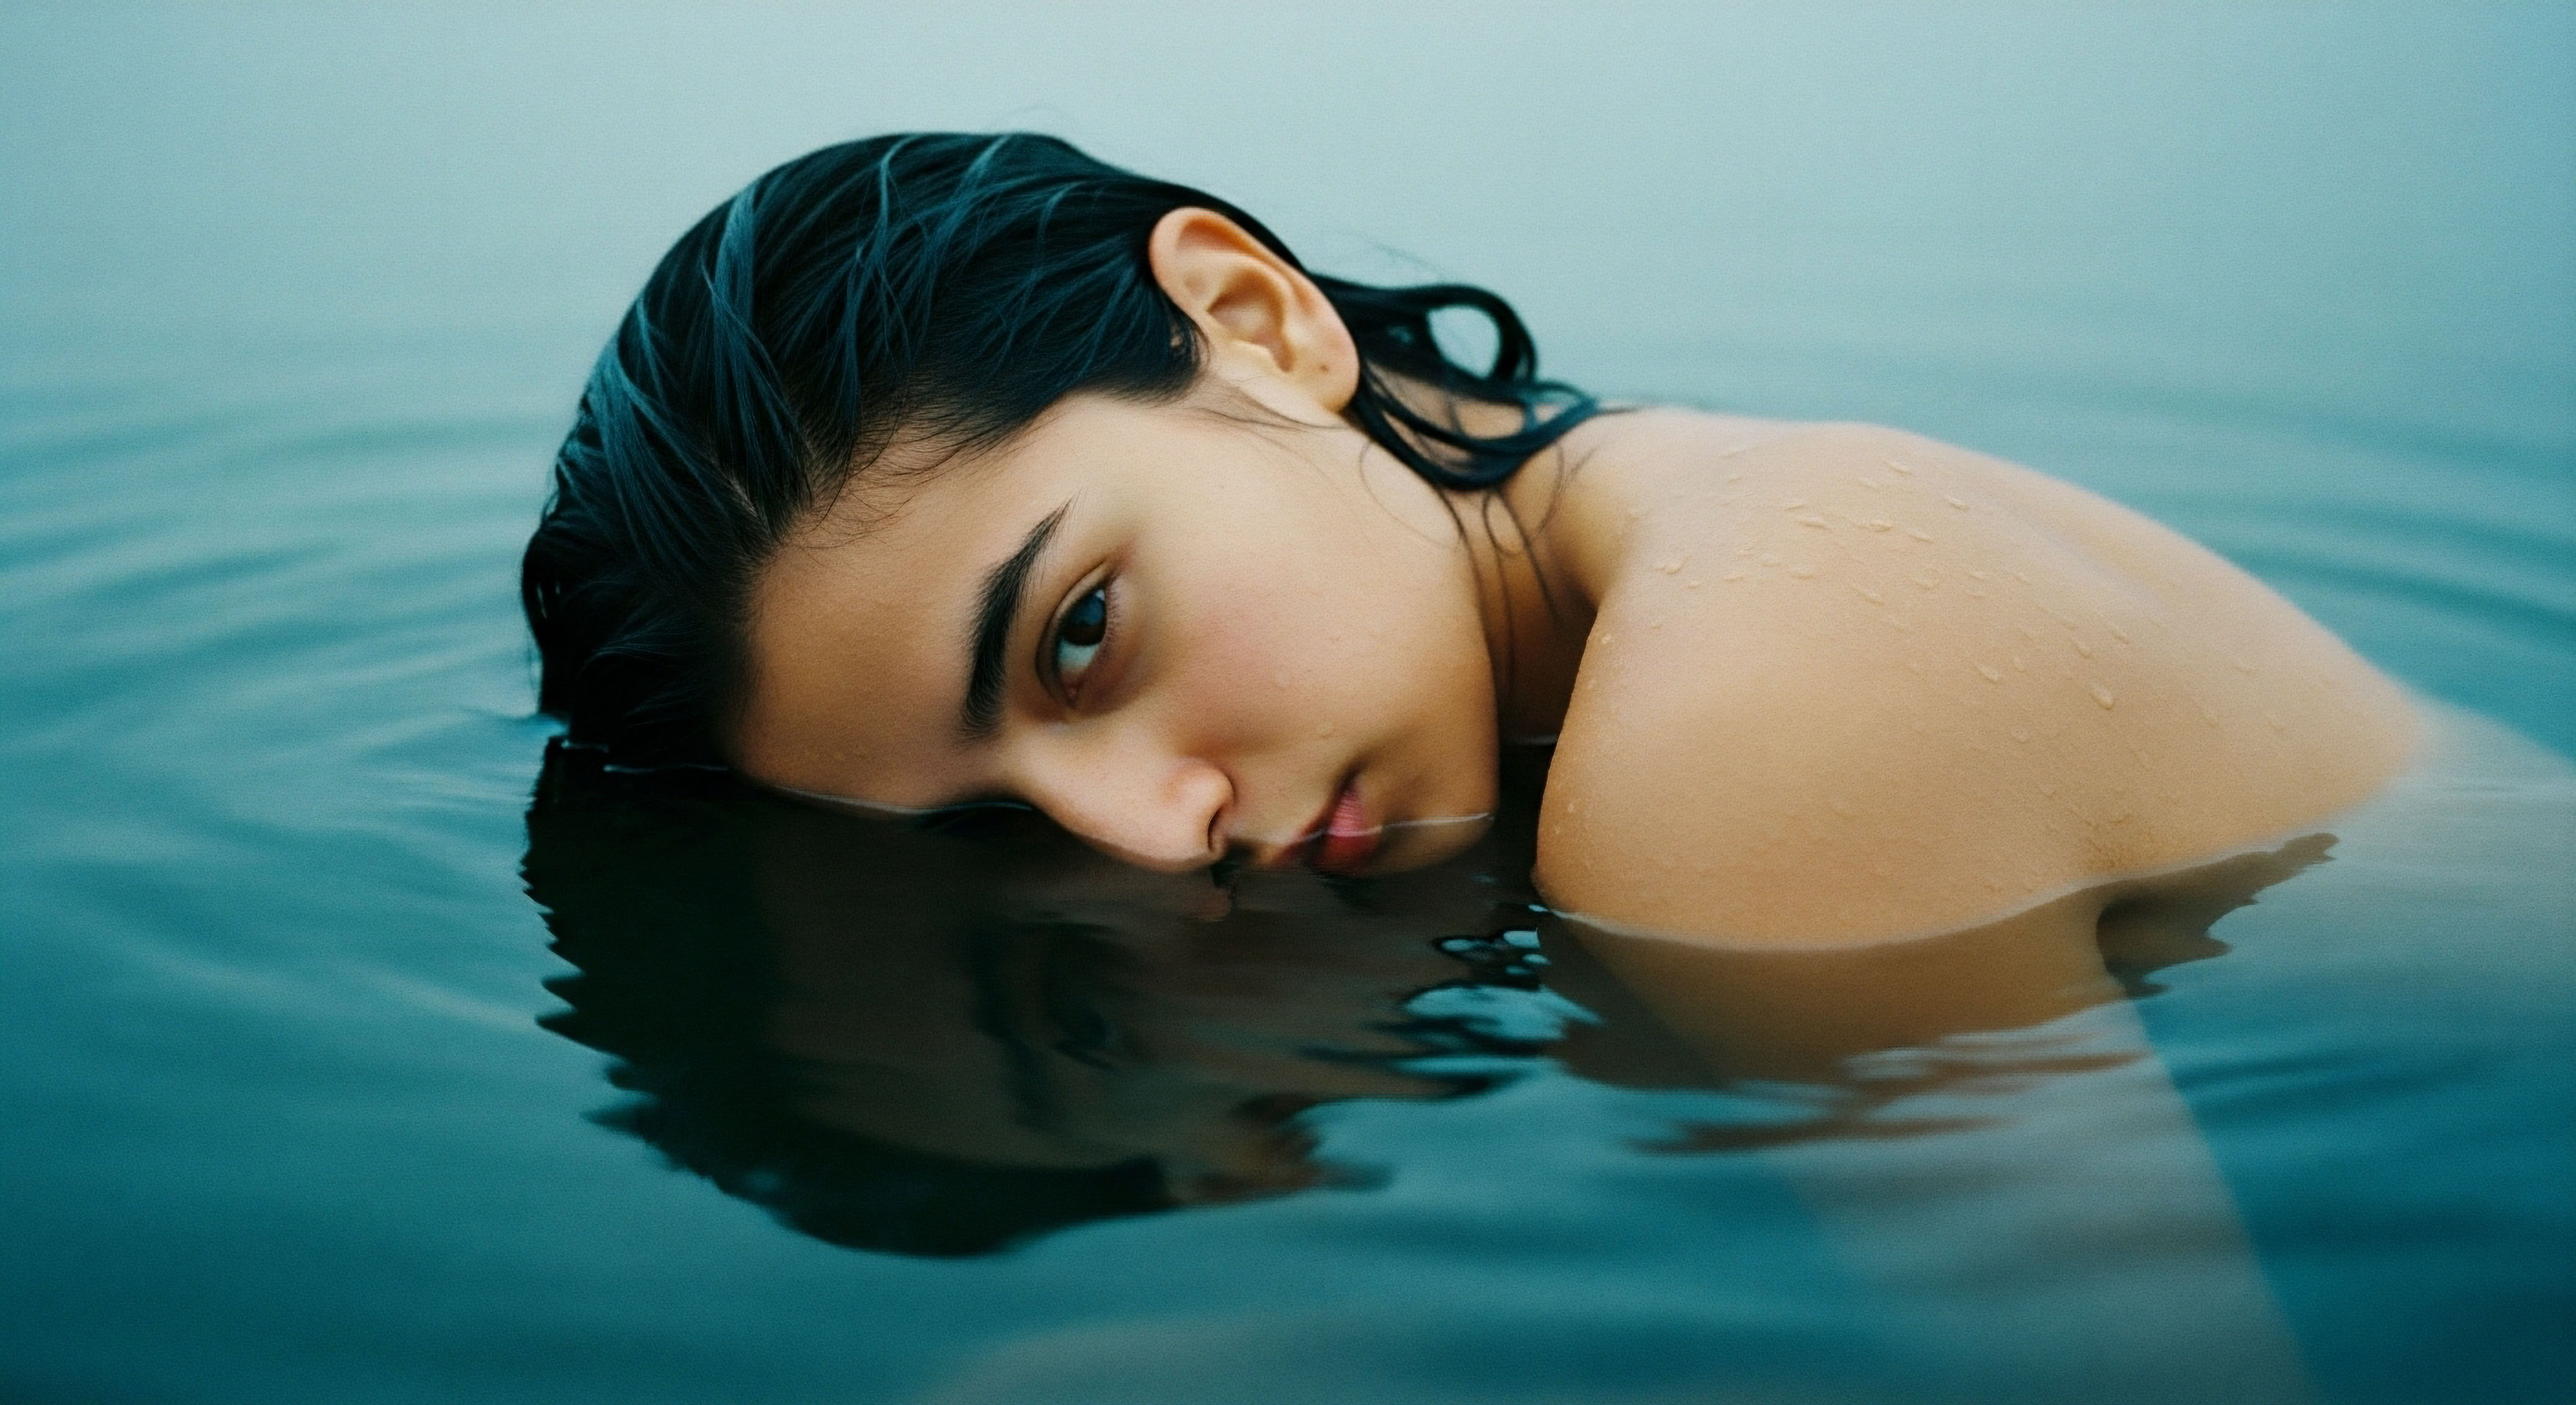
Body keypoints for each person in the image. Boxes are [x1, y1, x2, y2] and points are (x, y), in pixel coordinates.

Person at [521, 130, 2417, 956]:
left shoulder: (1746, 715)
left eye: (1080, 635)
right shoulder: (1680, 564)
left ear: (1257, 325)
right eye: (995, 826)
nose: (1146, 844)